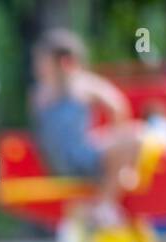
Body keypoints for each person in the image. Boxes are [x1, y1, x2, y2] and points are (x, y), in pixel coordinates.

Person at [30, 28, 145, 226]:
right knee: (134, 136)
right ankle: (106, 205)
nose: (39, 67)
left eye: (43, 61)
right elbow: (117, 104)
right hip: (79, 160)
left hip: (58, 162)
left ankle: (108, 194)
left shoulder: (41, 92)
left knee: (123, 141)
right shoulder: (79, 84)